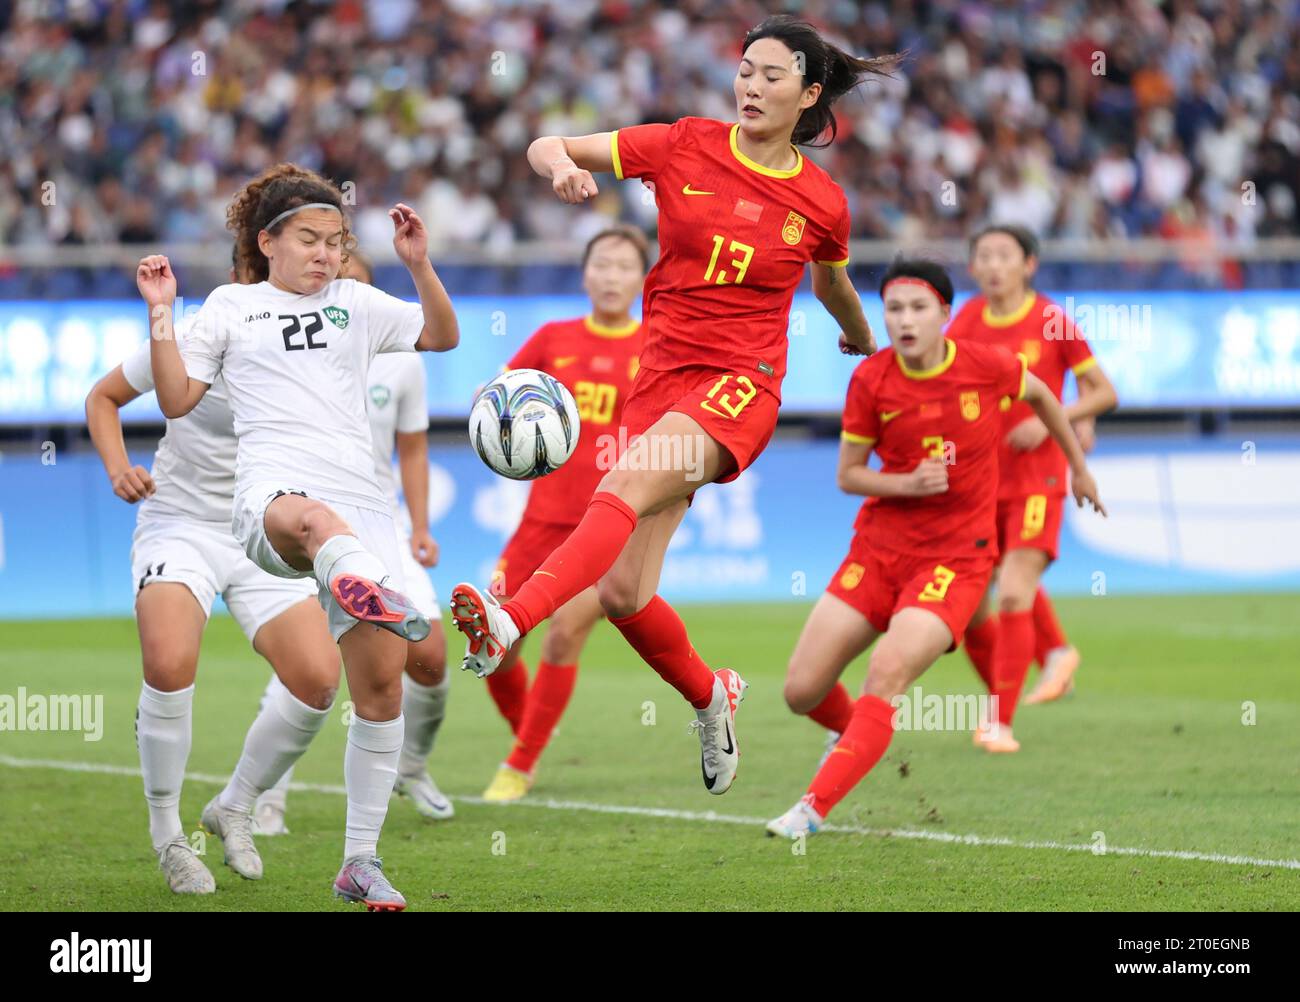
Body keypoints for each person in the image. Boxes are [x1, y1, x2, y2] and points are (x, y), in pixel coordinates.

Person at [448, 14, 888, 798]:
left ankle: (512, 619)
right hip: (661, 382)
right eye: (745, 69)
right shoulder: (682, 143)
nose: (751, 85)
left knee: (618, 488)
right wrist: (559, 168)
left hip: (740, 387)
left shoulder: (822, 202)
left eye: (772, 75)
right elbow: (549, 143)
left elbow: (831, 284)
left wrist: (861, 336)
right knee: (622, 594)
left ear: (809, 92)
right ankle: (710, 694)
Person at [138, 162, 459, 910]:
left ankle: (358, 861)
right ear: (268, 241)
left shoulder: (357, 302)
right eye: (310, 240)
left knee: (378, 692)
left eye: (337, 242)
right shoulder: (231, 306)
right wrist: (161, 313)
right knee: (316, 523)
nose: (325, 254)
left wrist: (418, 264)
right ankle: (354, 578)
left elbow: (441, 336)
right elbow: (179, 397)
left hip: (364, 512)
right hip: (272, 503)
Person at [767, 258, 1106, 838]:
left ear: (945, 314)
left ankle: (811, 810)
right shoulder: (871, 379)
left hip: (957, 558)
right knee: (801, 690)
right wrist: (904, 483)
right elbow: (849, 474)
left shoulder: (987, 366)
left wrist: (1077, 466)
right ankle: (853, 736)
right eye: (894, 309)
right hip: (878, 550)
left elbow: (1047, 395)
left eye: (918, 308)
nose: (904, 320)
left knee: (886, 671)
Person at [86, 247, 339, 895]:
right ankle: (168, 836)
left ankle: (235, 803)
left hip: (263, 528)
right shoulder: (196, 336)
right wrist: (119, 469)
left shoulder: (316, 344)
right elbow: (104, 397)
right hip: (182, 524)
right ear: (238, 281)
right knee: (169, 664)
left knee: (316, 680)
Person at [251, 250, 454, 831]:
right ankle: (267, 796)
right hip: (305, 526)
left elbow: (412, 450)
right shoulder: (291, 355)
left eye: (358, 286)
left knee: (432, 659)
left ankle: (411, 768)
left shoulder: (401, 362)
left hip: (380, 525)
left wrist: (419, 527)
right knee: (311, 665)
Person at [480, 225, 647, 802]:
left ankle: (519, 764)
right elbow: (496, 399)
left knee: (563, 635)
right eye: (602, 263)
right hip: (540, 522)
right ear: (584, 273)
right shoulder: (552, 339)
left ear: (642, 278)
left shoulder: (655, 350)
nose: (611, 276)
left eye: (625, 266)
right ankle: (531, 736)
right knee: (491, 642)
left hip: (611, 525)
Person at [947, 225, 1118, 745]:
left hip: (1037, 478)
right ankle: (1052, 657)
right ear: (973, 268)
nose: (994, 265)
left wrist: (1057, 419)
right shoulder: (967, 320)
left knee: (1014, 594)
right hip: (980, 481)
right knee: (972, 611)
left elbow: (1103, 391)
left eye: (1005, 255)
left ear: (1029, 264)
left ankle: (1000, 721)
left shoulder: (1051, 321)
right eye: (984, 257)